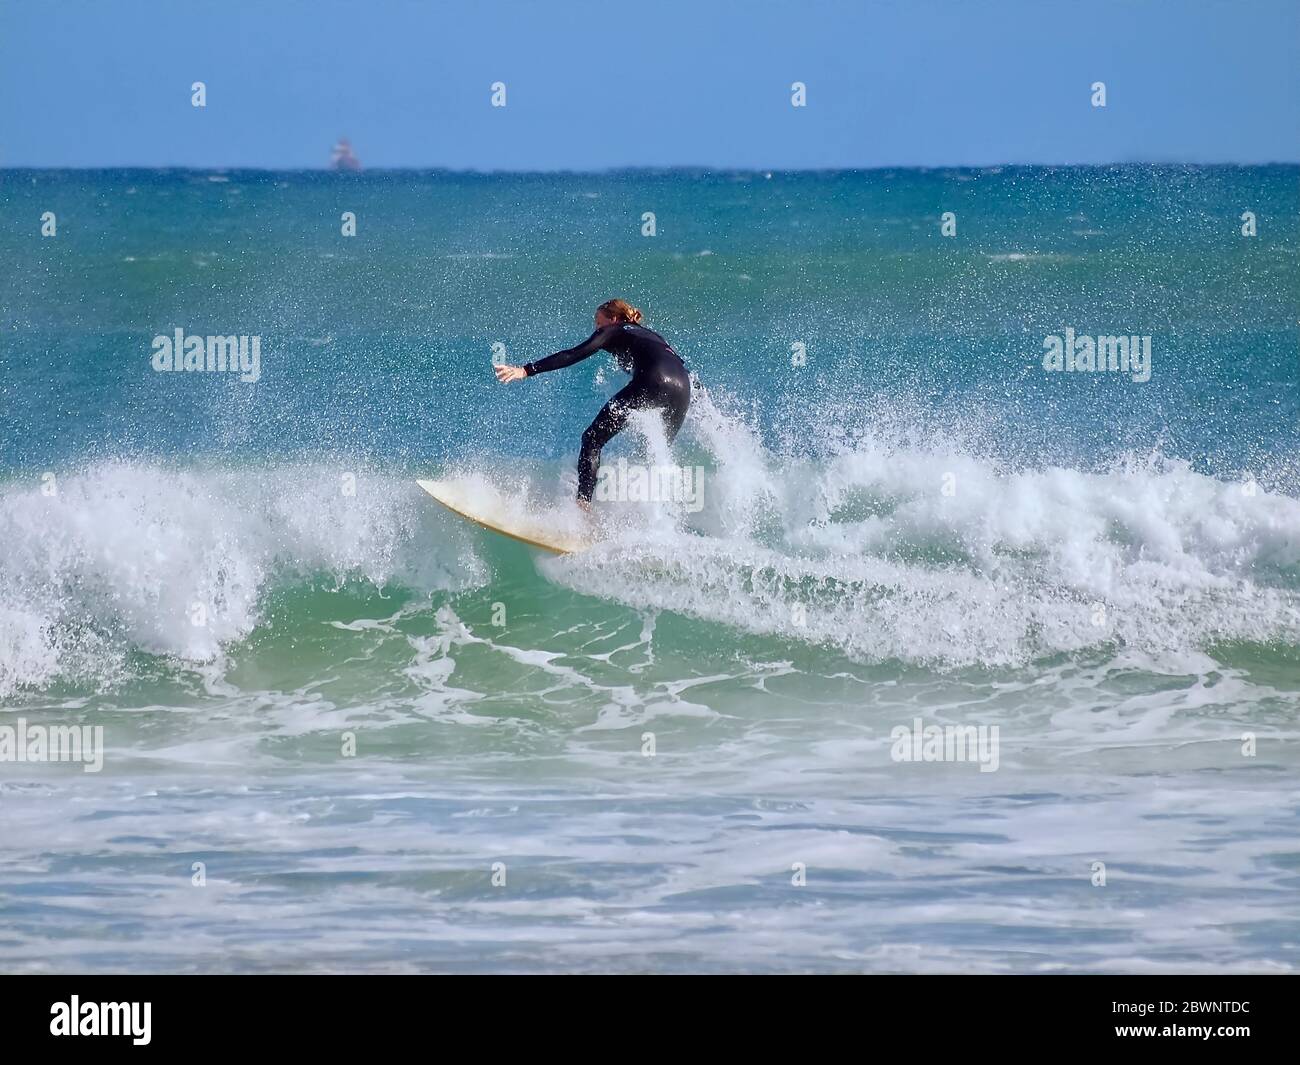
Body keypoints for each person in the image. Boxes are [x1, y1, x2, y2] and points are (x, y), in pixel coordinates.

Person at [494, 299, 691, 509]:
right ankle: (661, 518)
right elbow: (681, 370)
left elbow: (573, 354)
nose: (596, 328)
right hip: (683, 391)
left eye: (598, 322)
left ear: (613, 319)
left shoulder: (614, 330)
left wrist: (526, 370)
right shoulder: (652, 336)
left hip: (654, 380)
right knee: (653, 455)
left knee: (592, 439)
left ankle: (584, 508)